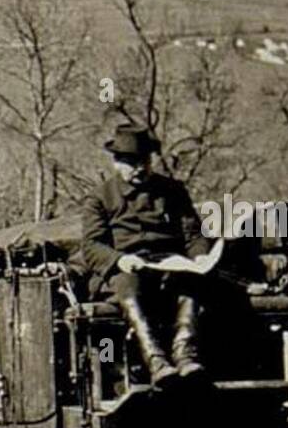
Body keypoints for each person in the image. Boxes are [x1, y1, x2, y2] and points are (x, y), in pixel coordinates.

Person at [79, 124, 212, 386]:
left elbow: (193, 234)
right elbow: (91, 246)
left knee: (194, 282)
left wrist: (200, 257)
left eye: (144, 161)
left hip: (169, 265)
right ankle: (156, 360)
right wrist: (121, 260)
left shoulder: (173, 191)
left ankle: (185, 354)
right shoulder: (100, 198)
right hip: (124, 271)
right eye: (131, 162)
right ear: (117, 162)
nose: (139, 168)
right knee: (129, 285)